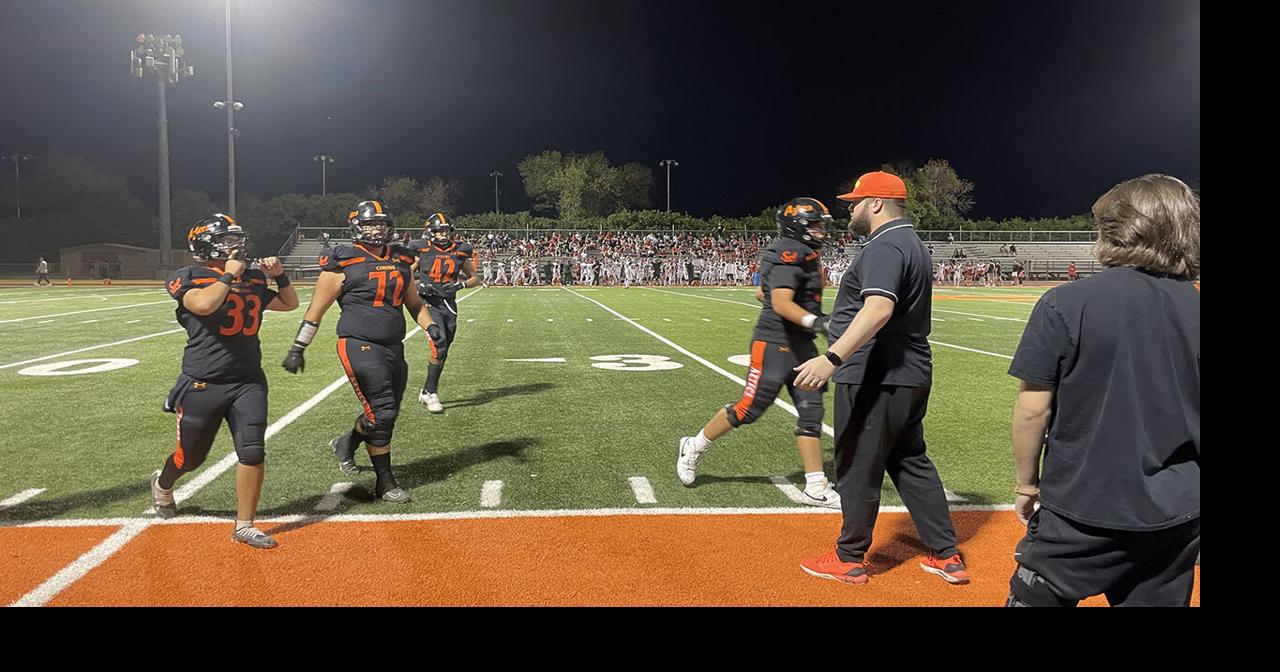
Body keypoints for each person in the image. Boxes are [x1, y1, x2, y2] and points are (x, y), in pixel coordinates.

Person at [1005, 174, 1200, 607]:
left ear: (1118, 230)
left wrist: (1026, 484)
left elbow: (1032, 411)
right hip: (1176, 511)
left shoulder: (1065, 303)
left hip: (1084, 506)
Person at [793, 172, 967, 586]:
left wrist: (831, 358)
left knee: (856, 463)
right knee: (910, 461)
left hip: (876, 372)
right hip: (909, 370)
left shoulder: (886, 243)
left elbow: (878, 309)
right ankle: (945, 553)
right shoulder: (911, 242)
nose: (849, 209)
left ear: (876, 203)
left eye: (855, 202)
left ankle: (849, 556)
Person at [676, 198, 840, 508]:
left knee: (811, 410)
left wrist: (801, 313)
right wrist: (816, 321)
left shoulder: (801, 252)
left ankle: (816, 485)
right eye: (815, 224)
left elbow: (761, 292)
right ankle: (693, 447)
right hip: (775, 341)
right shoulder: (788, 251)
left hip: (800, 342)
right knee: (749, 408)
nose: (821, 230)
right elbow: (778, 302)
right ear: (799, 227)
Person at [150, 214, 299, 549]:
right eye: (226, 240)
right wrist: (230, 276)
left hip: (247, 381)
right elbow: (203, 305)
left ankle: (244, 525)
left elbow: (290, 304)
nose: (236, 246)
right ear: (204, 244)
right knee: (190, 459)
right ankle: (163, 483)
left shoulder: (254, 278)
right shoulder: (187, 276)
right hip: (204, 382)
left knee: (252, 450)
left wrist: (280, 276)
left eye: (236, 239)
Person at [281, 200, 443, 503]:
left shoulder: (400, 258)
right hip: (358, 342)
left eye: (381, 223)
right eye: (370, 223)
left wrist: (430, 327)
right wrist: (298, 346)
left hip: (394, 346)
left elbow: (415, 304)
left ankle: (348, 441)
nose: (376, 229)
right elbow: (316, 310)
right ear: (357, 226)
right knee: (383, 410)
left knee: (385, 415)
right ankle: (384, 481)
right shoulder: (342, 259)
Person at [410, 213, 482, 413]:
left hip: (448, 304)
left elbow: (476, 278)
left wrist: (460, 285)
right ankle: (432, 393)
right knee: (438, 342)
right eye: (439, 231)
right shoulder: (421, 249)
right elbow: (406, 272)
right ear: (430, 232)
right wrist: (417, 286)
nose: (443, 235)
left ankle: (426, 389)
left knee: (443, 350)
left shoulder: (460, 250)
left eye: (446, 231)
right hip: (428, 303)